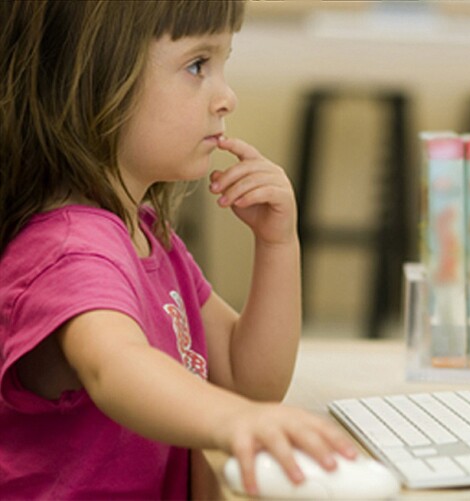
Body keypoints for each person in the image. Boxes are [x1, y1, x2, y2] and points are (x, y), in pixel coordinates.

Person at [0, 1, 357, 498]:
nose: (227, 97)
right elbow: (114, 366)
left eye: (223, 63)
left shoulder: (146, 236)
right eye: (197, 65)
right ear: (96, 81)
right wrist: (231, 420)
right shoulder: (70, 251)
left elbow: (246, 380)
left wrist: (277, 244)